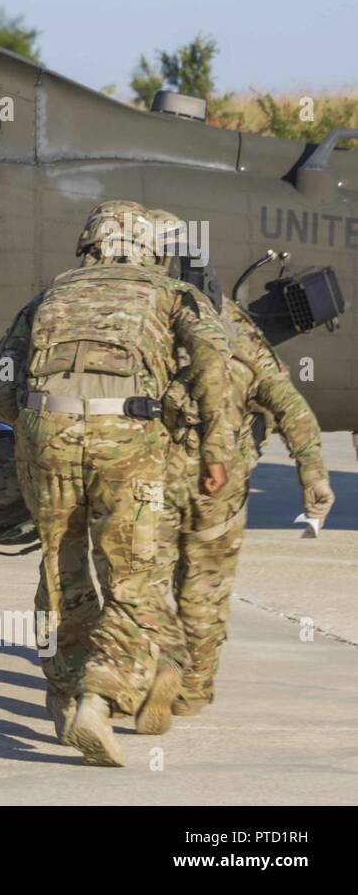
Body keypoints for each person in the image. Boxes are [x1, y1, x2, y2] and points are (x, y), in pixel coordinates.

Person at [0, 199, 232, 766]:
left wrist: (38, 436)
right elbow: (215, 364)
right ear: (149, 249)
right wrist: (212, 443)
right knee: (132, 576)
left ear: (90, 243)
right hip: (128, 433)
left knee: (58, 565)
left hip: (48, 432)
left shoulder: (50, 295)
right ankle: (99, 696)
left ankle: (66, 689)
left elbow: (0, 384)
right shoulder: (172, 294)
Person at [152, 209, 335, 716]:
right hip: (222, 485)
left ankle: (156, 663)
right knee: (204, 594)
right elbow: (288, 403)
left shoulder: (150, 318)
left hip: (156, 479)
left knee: (143, 583)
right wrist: (313, 473)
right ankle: (189, 692)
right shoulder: (238, 329)